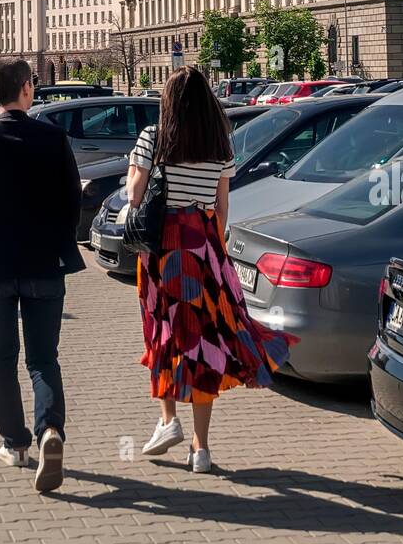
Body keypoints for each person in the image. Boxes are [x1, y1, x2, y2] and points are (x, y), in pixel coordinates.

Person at [126, 66, 294, 475]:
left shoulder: (154, 139)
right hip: (204, 245)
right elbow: (222, 208)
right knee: (202, 342)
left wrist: (136, 169)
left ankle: (168, 423)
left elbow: (134, 194)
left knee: (164, 330)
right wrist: (211, 251)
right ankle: (201, 450)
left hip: (163, 246)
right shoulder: (221, 145)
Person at [0, 55, 84, 494]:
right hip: (45, 265)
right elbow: (72, 202)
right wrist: (58, 243)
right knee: (44, 359)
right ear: (27, 88)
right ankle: (50, 433)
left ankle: (16, 443)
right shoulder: (53, 138)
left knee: (1, 358)